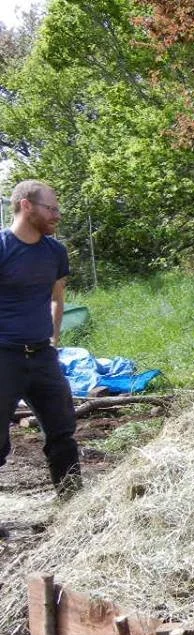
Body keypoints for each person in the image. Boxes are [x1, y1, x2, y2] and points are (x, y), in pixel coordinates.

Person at [0, 180, 81, 498]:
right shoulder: (3, 247)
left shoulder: (55, 251)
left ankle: (73, 504)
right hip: (3, 356)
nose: (57, 215)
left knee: (63, 433)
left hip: (43, 355)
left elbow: (55, 298)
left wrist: (54, 340)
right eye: (51, 208)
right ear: (26, 206)